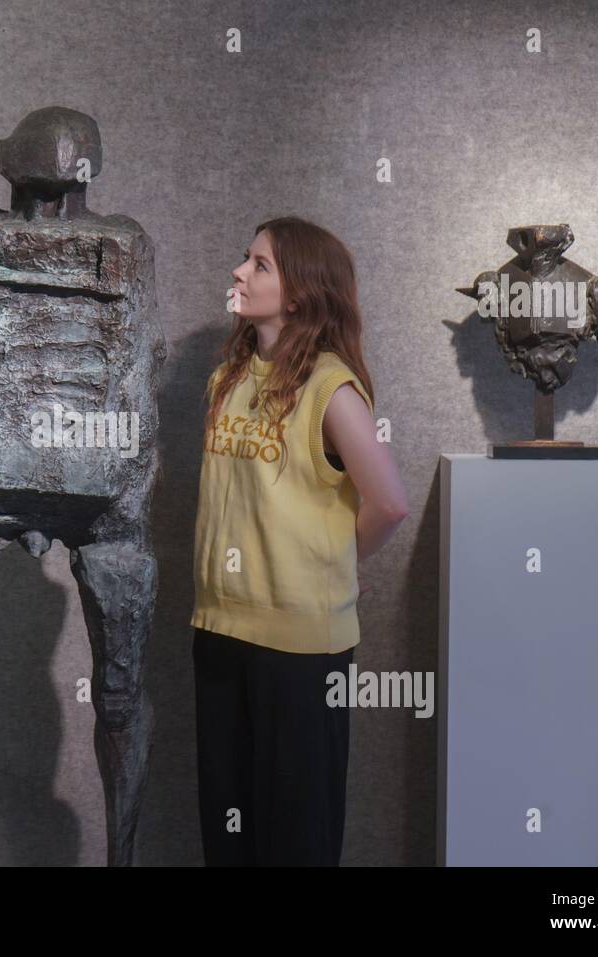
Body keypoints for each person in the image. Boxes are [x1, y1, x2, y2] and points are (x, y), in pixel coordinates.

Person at [190, 216, 409, 866]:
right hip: (220, 630)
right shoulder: (226, 378)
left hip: (300, 648)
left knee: (296, 840)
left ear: (300, 292)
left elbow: (390, 504)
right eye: (245, 258)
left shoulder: (330, 387)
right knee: (228, 833)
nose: (239, 272)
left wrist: (338, 563)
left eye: (260, 264)